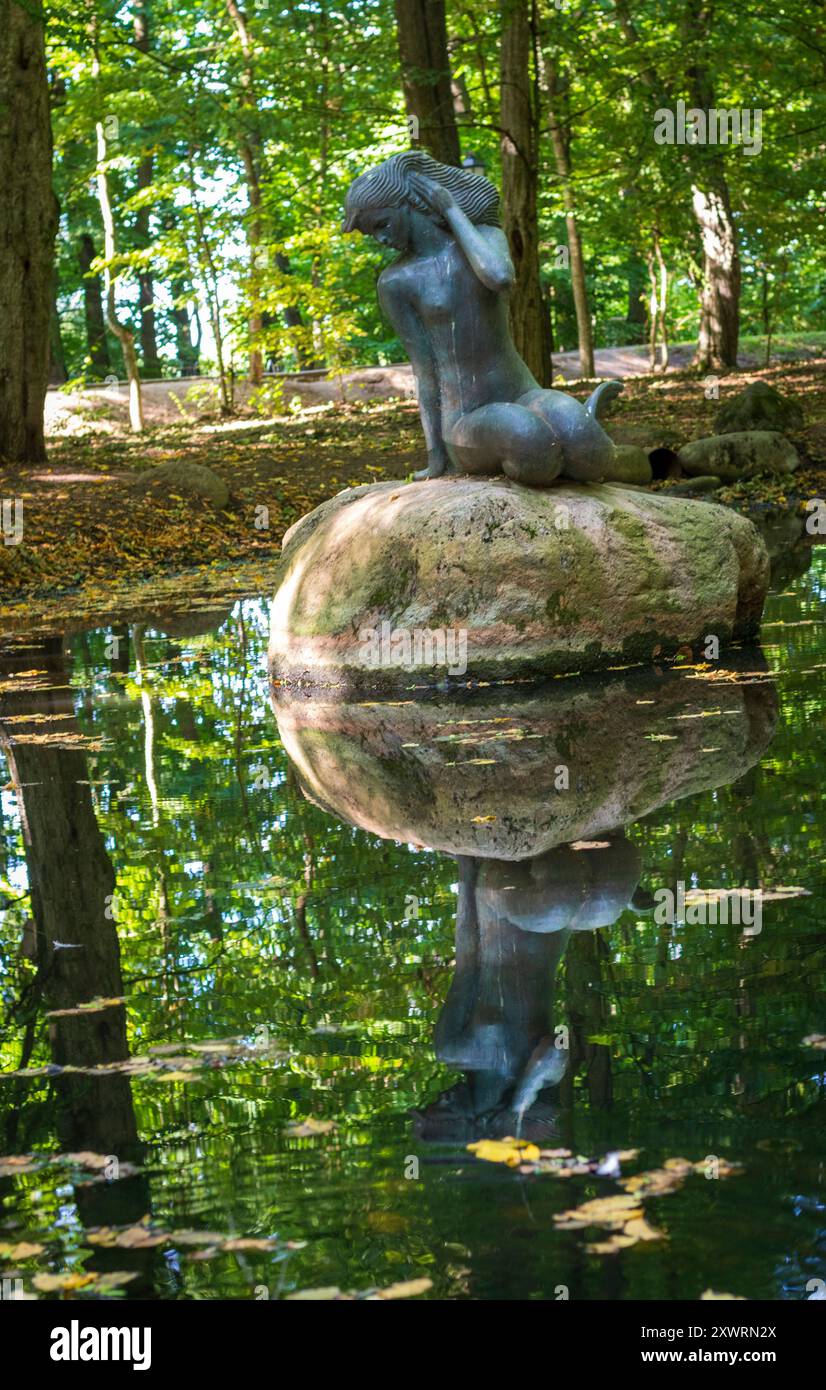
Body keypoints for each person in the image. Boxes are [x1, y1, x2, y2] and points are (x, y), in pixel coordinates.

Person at [343, 151, 621, 485]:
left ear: (412, 203)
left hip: (523, 393)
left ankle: (576, 426)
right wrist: (436, 458)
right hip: (464, 421)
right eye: (372, 233)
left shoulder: (486, 238)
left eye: (382, 224)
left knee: (593, 453)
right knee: (532, 445)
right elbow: (424, 370)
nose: (381, 239)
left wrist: (450, 209)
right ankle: (548, 445)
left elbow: (500, 276)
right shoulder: (396, 282)